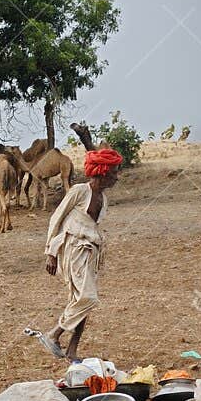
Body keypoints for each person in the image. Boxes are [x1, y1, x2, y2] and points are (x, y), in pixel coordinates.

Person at [28, 146, 123, 360]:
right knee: (88, 297)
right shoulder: (79, 191)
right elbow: (57, 218)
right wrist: (51, 252)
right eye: (114, 172)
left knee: (80, 301)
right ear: (103, 172)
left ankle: (72, 350)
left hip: (90, 252)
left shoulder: (103, 199)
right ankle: (53, 334)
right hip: (73, 249)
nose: (117, 177)